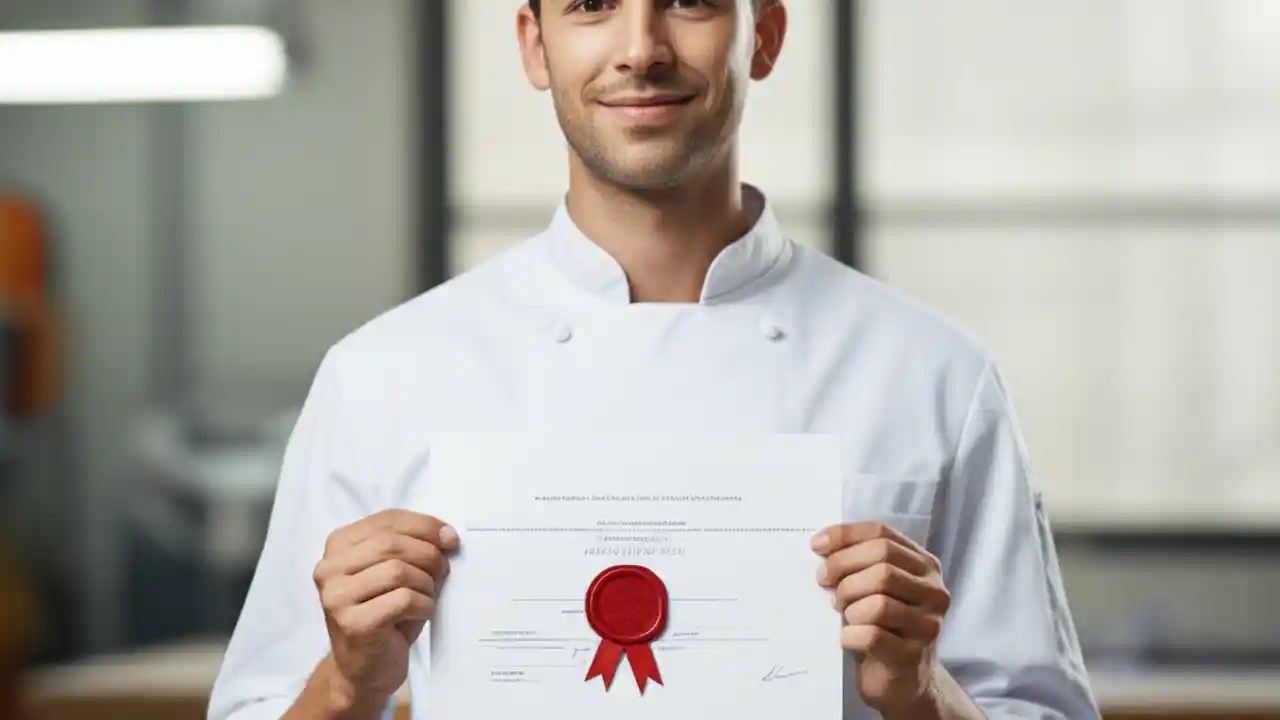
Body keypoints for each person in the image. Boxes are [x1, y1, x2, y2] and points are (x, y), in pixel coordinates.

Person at [209, 1, 1099, 718]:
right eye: (592, 4)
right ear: (534, 44)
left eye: (690, 2)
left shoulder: (936, 374)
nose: (641, 48)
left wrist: (919, 697)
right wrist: (348, 687)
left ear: (767, 34)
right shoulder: (382, 376)